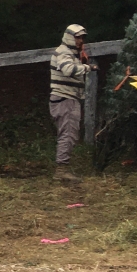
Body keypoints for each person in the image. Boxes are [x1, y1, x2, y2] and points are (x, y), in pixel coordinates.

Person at [49, 23, 90, 181]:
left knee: (69, 134)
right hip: (65, 99)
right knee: (68, 134)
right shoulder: (64, 53)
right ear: (69, 37)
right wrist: (88, 68)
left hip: (68, 99)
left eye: (82, 37)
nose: (80, 40)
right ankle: (61, 171)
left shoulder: (72, 54)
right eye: (77, 37)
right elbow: (68, 70)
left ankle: (62, 168)